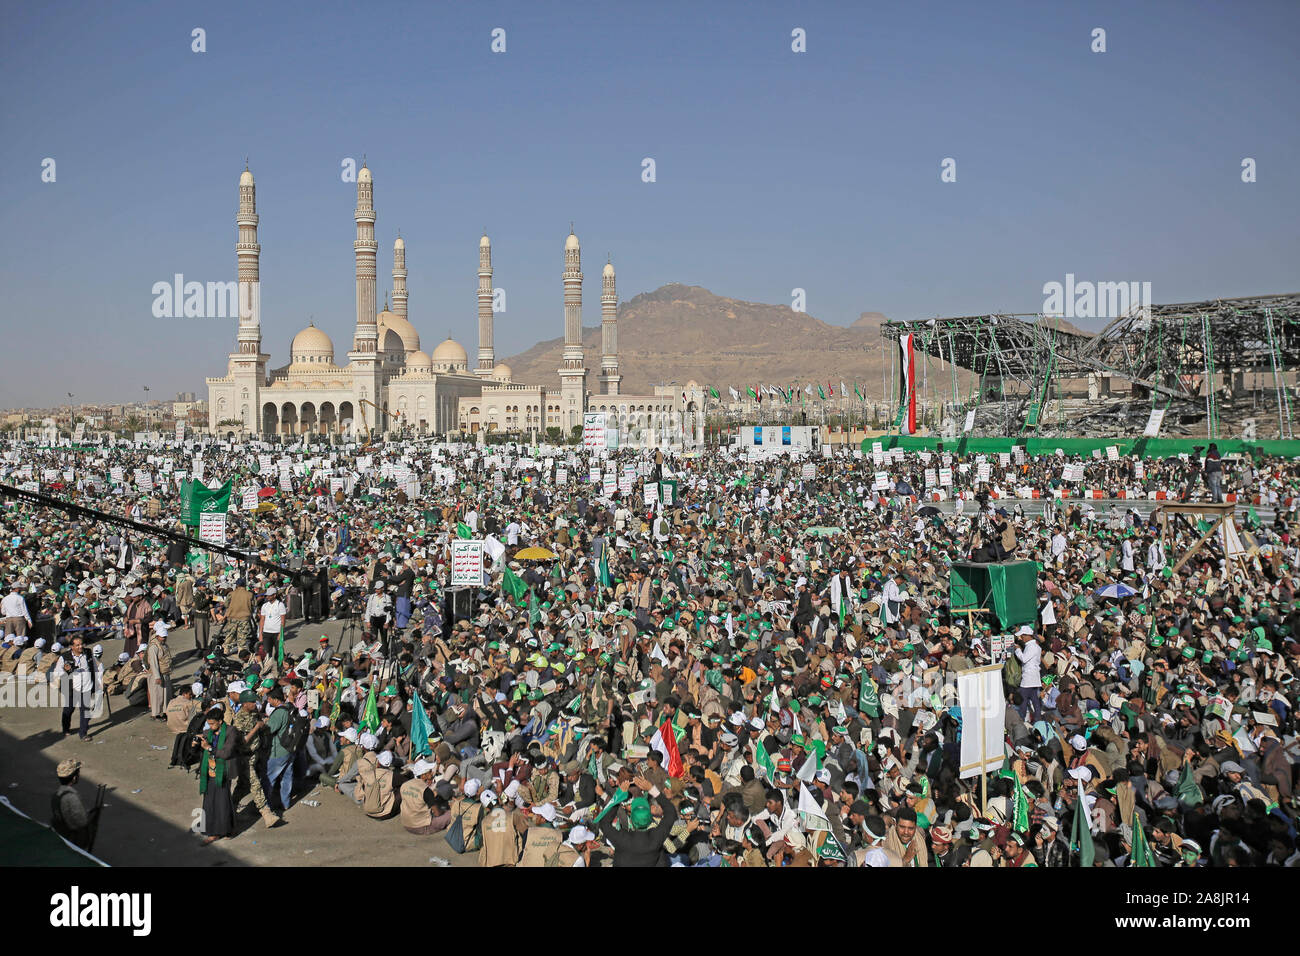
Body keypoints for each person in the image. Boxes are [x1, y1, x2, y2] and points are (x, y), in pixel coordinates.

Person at [597, 775, 679, 867]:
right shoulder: (656, 837)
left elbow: (604, 823)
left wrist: (619, 796)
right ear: (649, 819)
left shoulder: (622, 838)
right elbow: (671, 812)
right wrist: (652, 789)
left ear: (631, 819)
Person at [197, 706, 237, 845]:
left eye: (213, 723)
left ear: (220, 721)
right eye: (209, 723)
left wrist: (209, 747)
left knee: (222, 802)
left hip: (223, 771)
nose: (210, 726)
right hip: (209, 771)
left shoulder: (231, 732)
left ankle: (223, 830)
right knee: (209, 802)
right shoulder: (207, 732)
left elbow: (226, 753)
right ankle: (215, 830)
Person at [50, 758, 98, 850]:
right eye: (78, 772)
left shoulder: (56, 794)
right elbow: (82, 822)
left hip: (60, 833)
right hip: (72, 837)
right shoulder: (72, 796)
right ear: (74, 778)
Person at [263, 686, 296, 814]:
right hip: (291, 748)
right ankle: (285, 803)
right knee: (287, 777)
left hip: (278, 750)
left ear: (273, 699)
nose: (268, 701)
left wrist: (264, 723)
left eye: (269, 699)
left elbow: (269, 730)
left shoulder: (279, 712)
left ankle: (266, 806)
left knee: (269, 778)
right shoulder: (291, 707)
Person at [59, 635, 97, 740]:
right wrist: (66, 670)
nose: (80, 647)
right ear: (72, 646)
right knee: (68, 710)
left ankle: (83, 733)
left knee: (85, 711)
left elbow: (94, 667)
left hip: (86, 687)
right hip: (72, 689)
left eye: (81, 644)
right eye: (77, 645)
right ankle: (66, 728)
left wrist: (97, 683)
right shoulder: (64, 657)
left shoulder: (88, 653)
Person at [145, 621, 173, 719]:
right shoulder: (153, 647)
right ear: (158, 636)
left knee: (166, 694)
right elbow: (153, 663)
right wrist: (157, 676)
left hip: (165, 673)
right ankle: (156, 714)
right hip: (156, 675)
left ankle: (165, 711)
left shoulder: (163, 644)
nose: (164, 639)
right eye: (162, 637)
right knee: (157, 695)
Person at [258, 587, 287, 661]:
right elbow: (262, 620)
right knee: (267, 654)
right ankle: (268, 669)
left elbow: (283, 620)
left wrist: (281, 633)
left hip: (277, 633)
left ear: (274, 595)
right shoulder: (265, 605)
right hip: (266, 633)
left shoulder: (280, 605)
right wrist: (260, 633)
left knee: (279, 653)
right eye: (267, 595)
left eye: (269, 595)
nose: (267, 597)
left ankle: (280, 670)